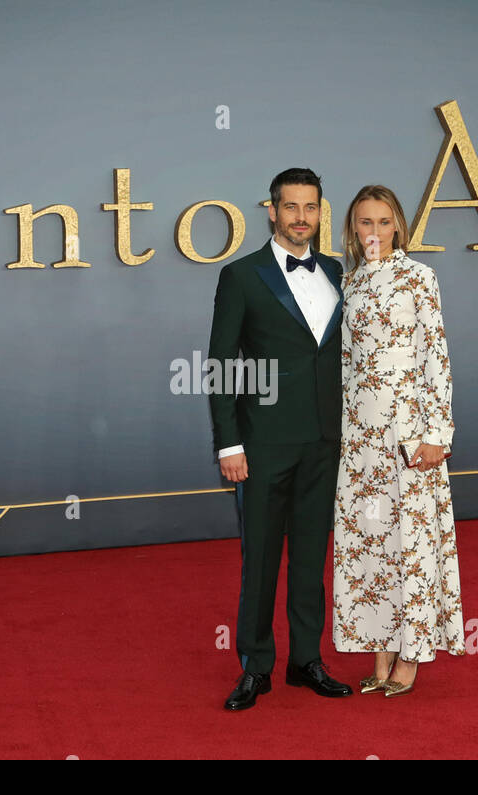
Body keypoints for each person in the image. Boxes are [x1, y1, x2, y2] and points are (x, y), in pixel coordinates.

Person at [208, 167, 353, 710]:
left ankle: (306, 660)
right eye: (290, 207)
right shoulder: (242, 276)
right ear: (271, 211)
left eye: (310, 208)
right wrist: (229, 443)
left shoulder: (338, 271)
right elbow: (221, 364)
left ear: (320, 211)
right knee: (261, 560)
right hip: (263, 443)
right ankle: (255, 666)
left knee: (312, 559)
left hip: (323, 442)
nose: (301, 218)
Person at [332, 185, 465, 698]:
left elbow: (436, 357)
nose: (374, 232)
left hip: (409, 429)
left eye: (383, 222)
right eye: (364, 222)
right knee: (369, 542)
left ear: (399, 226)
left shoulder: (419, 277)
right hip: (359, 435)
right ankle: (380, 649)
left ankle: (411, 656)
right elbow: (346, 366)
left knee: (411, 542)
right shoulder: (350, 285)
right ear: (351, 230)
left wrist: (437, 433)